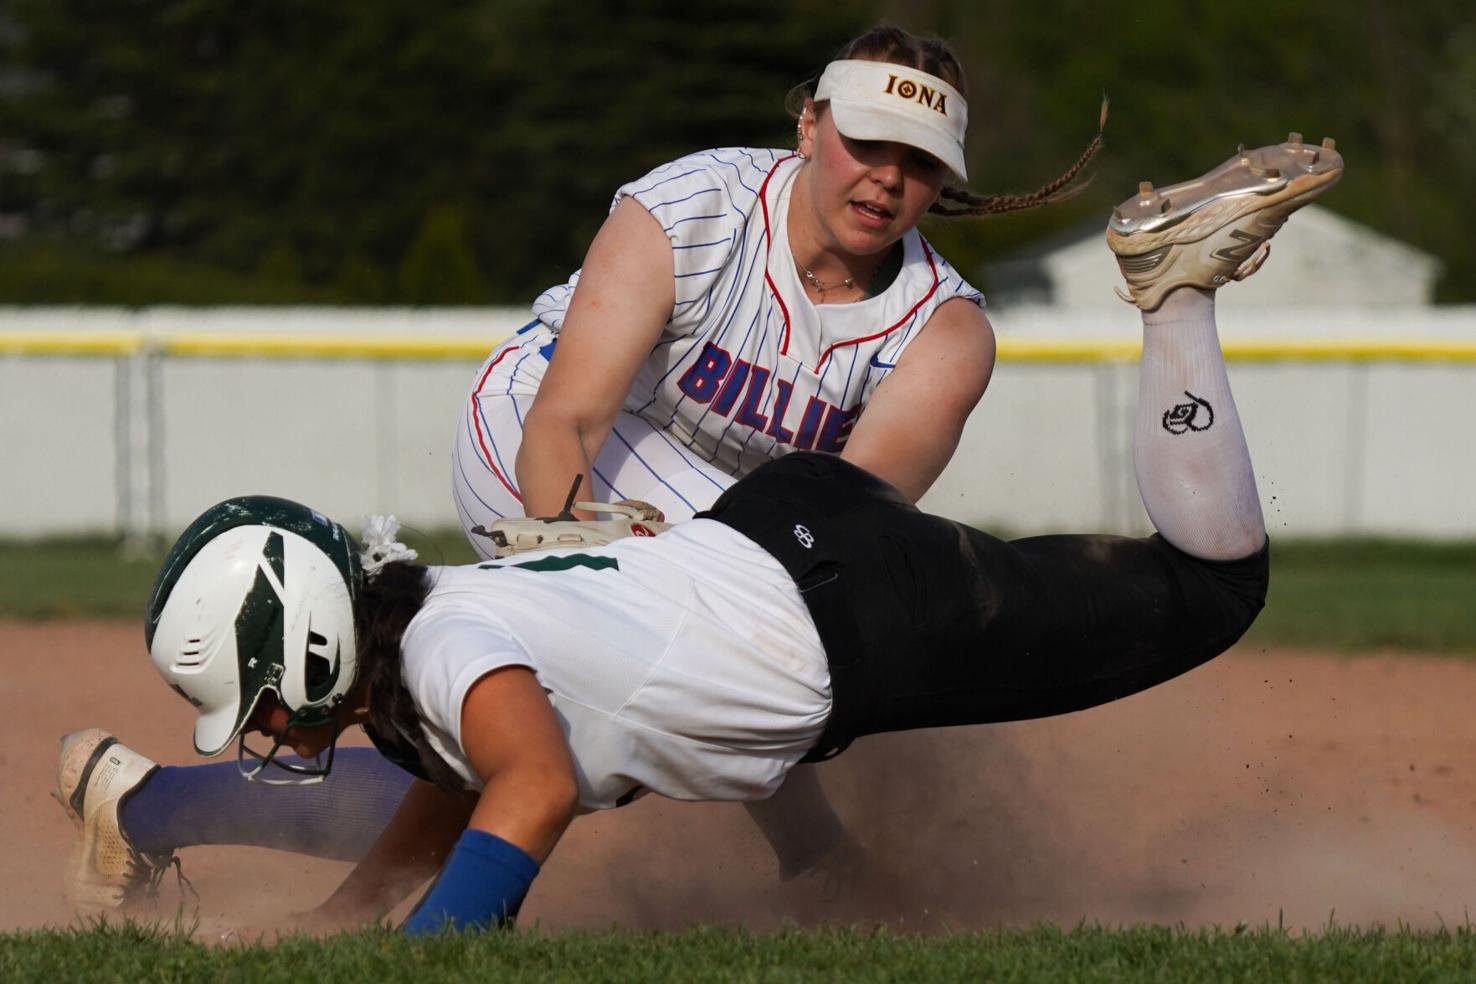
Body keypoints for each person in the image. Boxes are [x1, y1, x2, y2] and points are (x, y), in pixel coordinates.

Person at [57, 130, 1344, 932]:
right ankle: (154, 806)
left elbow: (532, 786)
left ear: (321, 646)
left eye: (267, 697)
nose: (275, 726)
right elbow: (460, 775)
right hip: (771, 531)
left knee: (1209, 593)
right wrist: (346, 929)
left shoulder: (445, 654)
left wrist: (434, 951)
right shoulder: (429, 632)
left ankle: (1171, 296)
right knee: (651, 715)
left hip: (824, 590)